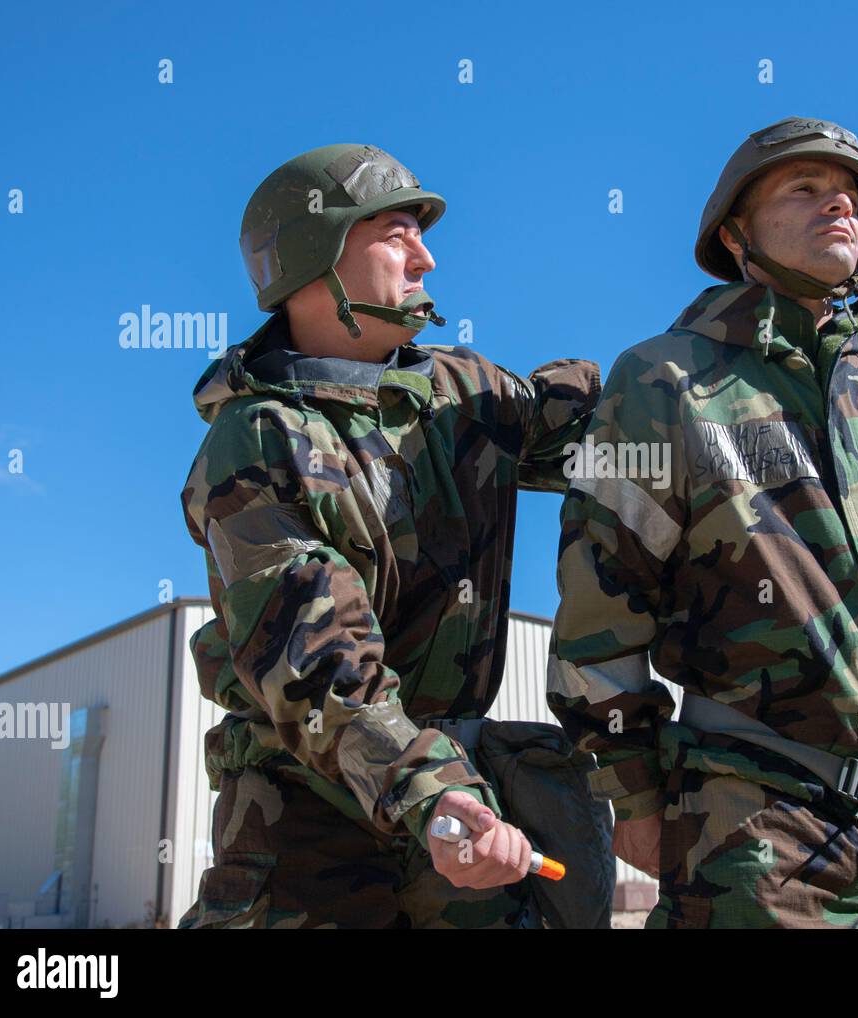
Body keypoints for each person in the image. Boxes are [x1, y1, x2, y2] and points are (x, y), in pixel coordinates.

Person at [547, 117, 858, 928]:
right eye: (805, 188)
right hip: (760, 820)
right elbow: (598, 612)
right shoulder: (665, 379)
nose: (840, 207)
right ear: (735, 232)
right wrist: (637, 799)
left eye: (853, 198)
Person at [179, 143, 600, 928]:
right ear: (316, 253)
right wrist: (435, 791)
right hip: (310, 826)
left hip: (458, 820)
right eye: (397, 233)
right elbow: (319, 670)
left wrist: (698, 378)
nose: (427, 258)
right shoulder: (261, 437)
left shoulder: (465, 393)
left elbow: (619, 440)